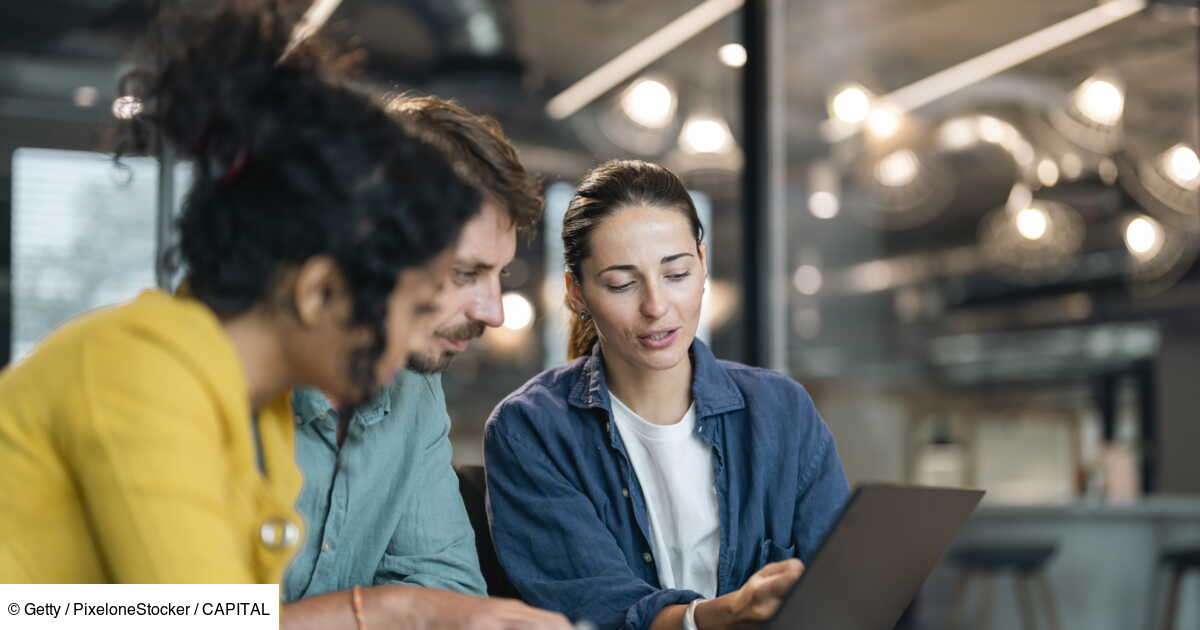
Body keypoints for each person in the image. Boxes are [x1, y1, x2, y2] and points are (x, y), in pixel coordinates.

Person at [0, 2, 478, 585]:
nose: (416, 337)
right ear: (318, 292)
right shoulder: (142, 370)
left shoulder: (262, 416)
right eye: (416, 307)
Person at [484, 160, 851, 630]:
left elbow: (839, 591)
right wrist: (728, 612)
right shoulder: (531, 429)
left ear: (702, 264)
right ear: (576, 292)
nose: (656, 307)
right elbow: (596, 610)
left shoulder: (782, 410)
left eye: (676, 274)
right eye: (622, 283)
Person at [282, 96, 571, 630]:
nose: (495, 313)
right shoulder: (189, 377)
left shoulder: (413, 395)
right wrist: (389, 610)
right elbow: (123, 614)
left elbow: (449, 593)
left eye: (499, 275)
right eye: (465, 273)